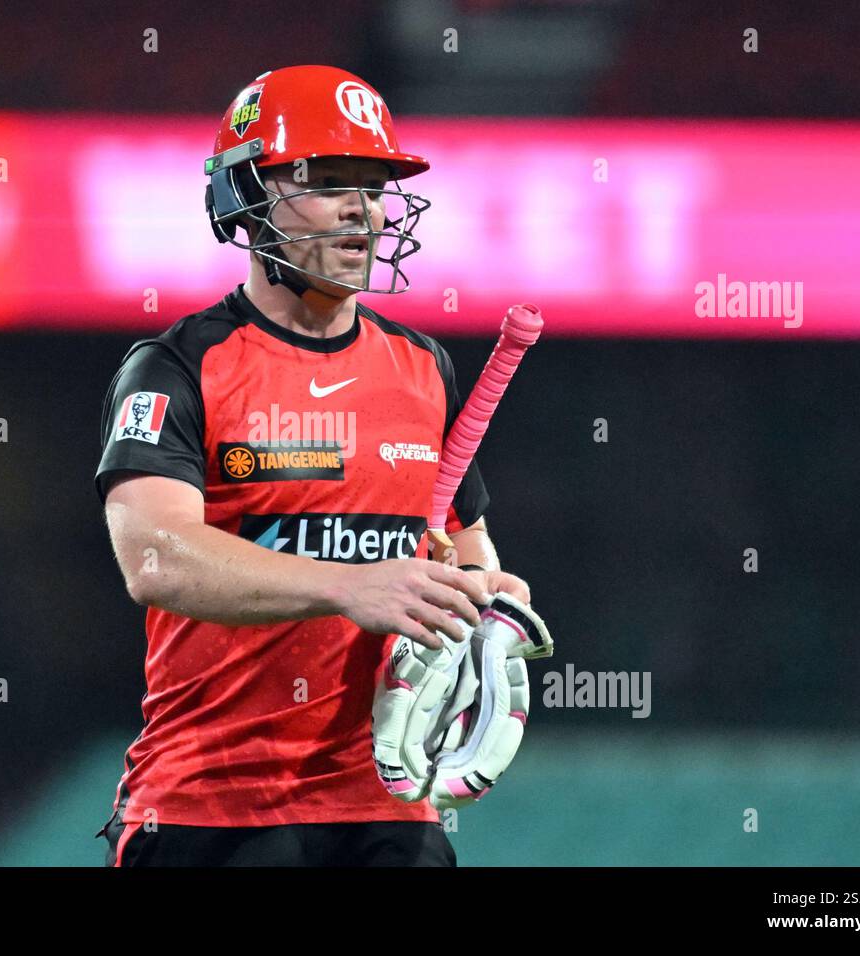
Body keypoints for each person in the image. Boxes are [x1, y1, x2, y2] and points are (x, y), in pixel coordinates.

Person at [94, 65, 531, 866]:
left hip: (390, 809)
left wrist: (487, 598)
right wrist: (347, 585)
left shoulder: (423, 368)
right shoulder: (175, 367)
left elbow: (460, 544)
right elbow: (153, 558)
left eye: (373, 186)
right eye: (329, 181)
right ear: (244, 196)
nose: (361, 209)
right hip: (212, 806)